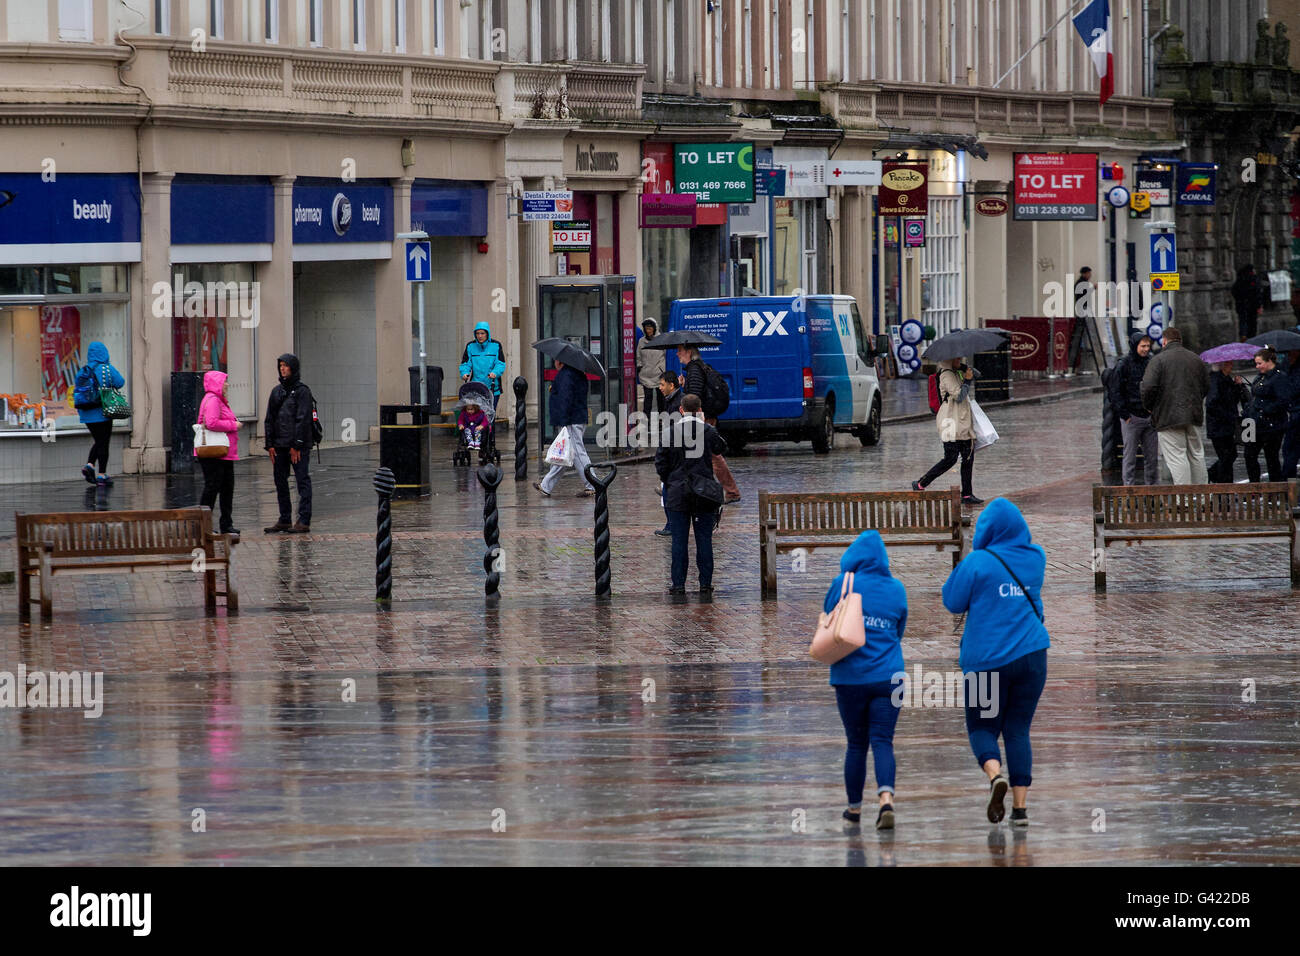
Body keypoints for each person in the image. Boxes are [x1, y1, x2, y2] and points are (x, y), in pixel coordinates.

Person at [941, 498, 1051, 828]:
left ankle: (994, 775)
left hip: (986, 661)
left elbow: (952, 601)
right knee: (1018, 730)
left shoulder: (977, 562)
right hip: (1032, 656)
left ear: (987, 530)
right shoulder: (1037, 557)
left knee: (982, 727)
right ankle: (1020, 809)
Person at [823, 530, 906, 831]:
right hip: (890, 677)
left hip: (851, 678)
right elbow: (899, 630)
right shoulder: (896, 589)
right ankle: (886, 800)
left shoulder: (842, 584)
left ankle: (854, 809)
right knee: (883, 741)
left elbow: (829, 620)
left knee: (856, 744)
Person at [655, 394, 727, 594]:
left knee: (678, 540)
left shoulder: (671, 432)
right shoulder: (707, 430)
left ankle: (678, 584)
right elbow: (721, 447)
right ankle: (705, 583)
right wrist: (704, 424)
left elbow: (660, 462)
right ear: (699, 410)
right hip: (703, 492)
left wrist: (669, 480)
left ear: (681, 410)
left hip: (677, 491)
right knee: (704, 539)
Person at [1140, 327, 1211, 484]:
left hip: (1168, 416)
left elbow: (1148, 387)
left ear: (1164, 341)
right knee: (1196, 454)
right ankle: (1202, 497)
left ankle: (1185, 500)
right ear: (1181, 341)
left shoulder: (1158, 360)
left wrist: (1150, 406)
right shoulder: (1195, 359)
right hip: (1193, 414)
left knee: (1177, 457)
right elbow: (1206, 386)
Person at [913, 357, 982, 504]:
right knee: (950, 458)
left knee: (968, 458)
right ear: (949, 359)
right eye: (956, 357)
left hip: (963, 421)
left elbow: (978, 374)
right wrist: (967, 381)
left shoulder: (958, 372)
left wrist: (965, 368)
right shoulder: (946, 374)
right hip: (950, 421)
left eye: (960, 357)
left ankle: (967, 494)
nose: (959, 359)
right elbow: (959, 395)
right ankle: (921, 483)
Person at [678, 345, 740, 503]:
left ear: (689, 352)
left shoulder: (695, 370)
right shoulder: (697, 368)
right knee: (701, 454)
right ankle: (682, 487)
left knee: (711, 456)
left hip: (702, 417)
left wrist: (685, 390)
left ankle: (731, 492)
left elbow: (695, 397)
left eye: (680, 350)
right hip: (703, 415)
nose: (678, 353)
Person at [263, 353, 314, 533]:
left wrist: (297, 445)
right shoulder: (276, 391)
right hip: (279, 445)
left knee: (302, 481)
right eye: (281, 365)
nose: (283, 369)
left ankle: (304, 519)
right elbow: (269, 419)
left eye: (286, 365)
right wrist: (269, 444)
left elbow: (303, 419)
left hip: (296, 446)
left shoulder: (302, 391)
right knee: (280, 482)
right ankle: (284, 518)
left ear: (293, 367)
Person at [533, 359, 594, 498]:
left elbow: (564, 399)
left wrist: (563, 420)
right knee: (564, 454)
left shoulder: (566, 375)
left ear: (559, 361)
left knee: (578, 452)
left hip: (571, 420)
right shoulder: (575, 374)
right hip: (574, 418)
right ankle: (546, 485)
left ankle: (592, 484)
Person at [1108, 332, 1159, 485]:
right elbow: (1115, 391)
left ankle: (1152, 492)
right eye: (1142, 346)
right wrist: (1125, 414)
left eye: (1148, 346)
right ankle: (1128, 491)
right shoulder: (1124, 364)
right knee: (1129, 457)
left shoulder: (1151, 362)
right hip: (1132, 417)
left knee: (1152, 457)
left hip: (1149, 417)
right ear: (1135, 345)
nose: (1145, 349)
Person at [194, 370, 240, 536]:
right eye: (224, 381)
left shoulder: (219, 400)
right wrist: (233, 425)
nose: (227, 384)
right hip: (215, 454)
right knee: (212, 488)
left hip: (224, 453)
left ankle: (226, 524)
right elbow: (212, 423)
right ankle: (203, 526)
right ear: (217, 384)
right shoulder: (213, 400)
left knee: (227, 489)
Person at [75, 341, 125, 487]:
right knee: (104, 442)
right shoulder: (106, 369)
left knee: (99, 441)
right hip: (102, 412)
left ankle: (90, 465)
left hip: (85, 414)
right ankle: (102, 475)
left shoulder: (83, 371)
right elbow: (120, 382)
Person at [1243, 348, 1288, 483]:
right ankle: (1254, 486)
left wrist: (1265, 410)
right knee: (1249, 455)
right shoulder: (1260, 376)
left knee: (1271, 456)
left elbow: (1283, 401)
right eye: (1256, 364)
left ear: (1269, 361)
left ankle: (1275, 488)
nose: (1257, 367)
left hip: (1271, 425)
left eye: (1259, 363)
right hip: (1252, 423)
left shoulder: (1279, 377)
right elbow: (1255, 395)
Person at [1205, 361, 1249, 483]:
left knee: (1230, 456)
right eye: (1229, 364)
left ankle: (1216, 478)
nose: (1232, 365)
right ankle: (1221, 484)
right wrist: (1227, 415)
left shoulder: (1227, 379)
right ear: (1222, 365)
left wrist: (1237, 386)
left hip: (1228, 425)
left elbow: (1233, 400)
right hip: (1219, 426)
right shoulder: (1215, 380)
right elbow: (1211, 403)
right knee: (1226, 457)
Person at [654, 371, 683, 537]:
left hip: (674, 454)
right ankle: (671, 523)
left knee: (667, 488)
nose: (660, 388)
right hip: (675, 452)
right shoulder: (673, 400)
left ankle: (671, 524)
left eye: (662, 384)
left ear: (672, 386)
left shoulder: (675, 403)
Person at [459, 321, 506, 408]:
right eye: (477, 333)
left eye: (482, 333)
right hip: (475, 387)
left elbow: (500, 363)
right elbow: (465, 363)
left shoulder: (496, 345)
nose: (480, 336)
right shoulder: (470, 346)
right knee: (476, 414)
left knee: (490, 413)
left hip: (492, 387)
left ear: (487, 334)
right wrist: (464, 373)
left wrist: (495, 372)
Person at [1066, 266, 1093, 376]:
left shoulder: (1082, 283)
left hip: (1082, 312)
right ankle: (1075, 363)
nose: (1090, 276)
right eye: (1089, 273)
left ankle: (1076, 363)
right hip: (1082, 312)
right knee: (1080, 336)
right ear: (1085, 273)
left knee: (1080, 336)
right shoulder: (1081, 284)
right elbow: (1083, 296)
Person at [636, 319, 666, 416]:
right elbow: (638, 356)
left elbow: (666, 355)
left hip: (659, 374)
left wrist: (663, 369)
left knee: (661, 399)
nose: (648, 330)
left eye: (650, 328)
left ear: (654, 328)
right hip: (646, 374)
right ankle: (646, 419)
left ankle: (662, 419)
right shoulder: (641, 341)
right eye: (646, 328)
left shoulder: (661, 339)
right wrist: (640, 366)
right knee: (648, 399)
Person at [1279, 349, 1300, 480]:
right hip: (1293, 412)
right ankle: (1288, 478)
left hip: (1297, 412)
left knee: (1291, 448)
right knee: (1289, 449)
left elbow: (1294, 389)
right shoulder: (1287, 364)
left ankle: (1288, 479)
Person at [1231, 264, 1263, 341]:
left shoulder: (1240, 280)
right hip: (1252, 306)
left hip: (1242, 305)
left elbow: (1234, 291)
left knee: (1243, 321)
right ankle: (1250, 337)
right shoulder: (1253, 280)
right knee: (1251, 322)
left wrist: (1239, 299)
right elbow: (1257, 293)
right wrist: (1259, 305)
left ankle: (1243, 335)